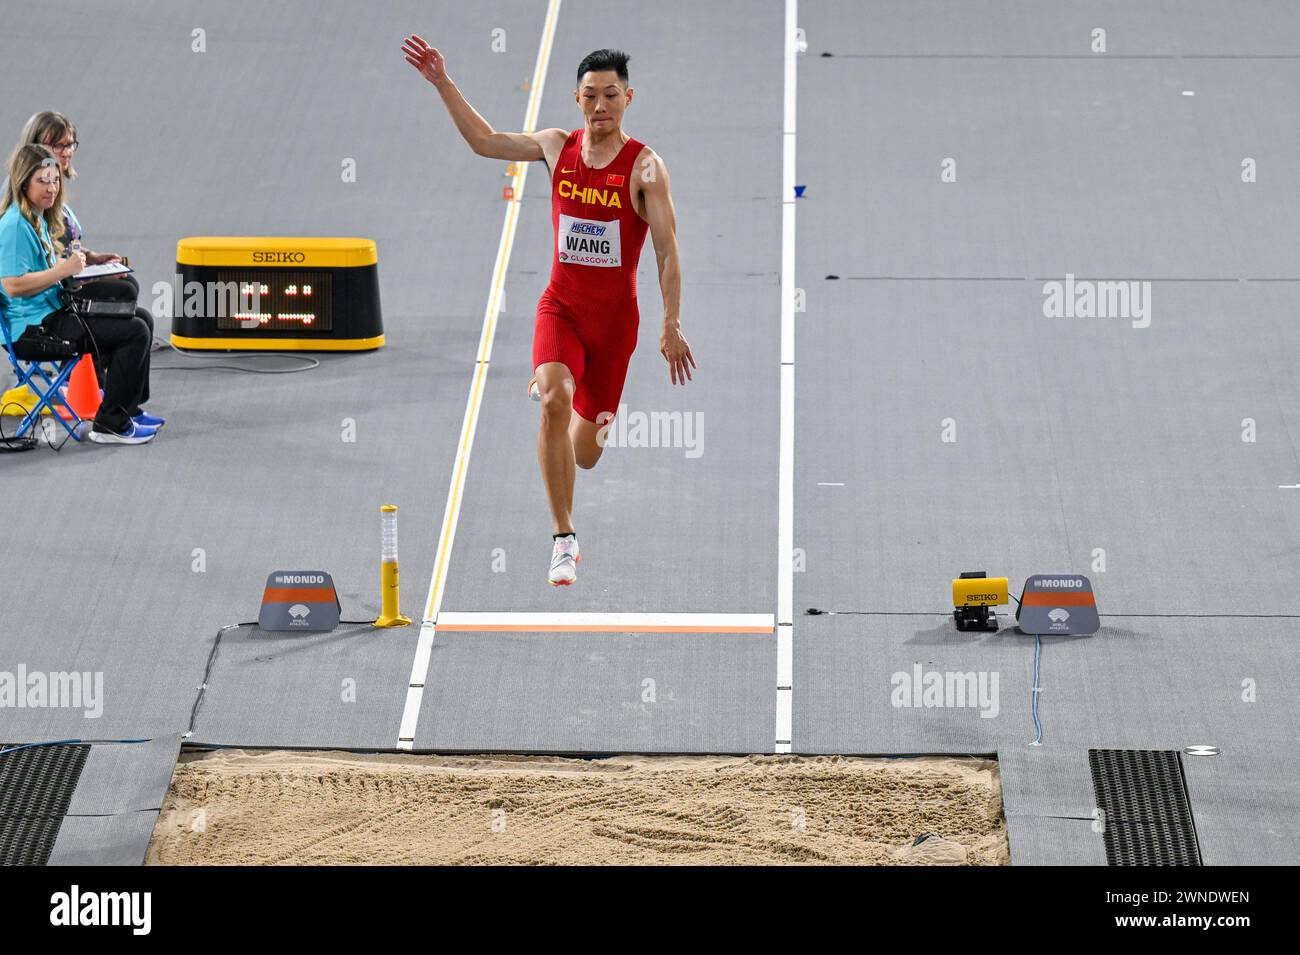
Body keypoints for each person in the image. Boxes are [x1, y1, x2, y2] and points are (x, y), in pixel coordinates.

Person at [404, 38, 694, 586]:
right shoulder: (554, 146)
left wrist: (670, 323)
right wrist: (443, 81)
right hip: (560, 306)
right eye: (590, 95)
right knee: (555, 404)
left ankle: (567, 385)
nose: (600, 105)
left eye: (611, 95)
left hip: (614, 327)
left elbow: (666, 249)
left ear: (628, 98)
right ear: (576, 98)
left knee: (585, 455)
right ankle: (564, 537)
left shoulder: (646, 169)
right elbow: (486, 142)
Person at [0, 144, 158, 444]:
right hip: (33, 331)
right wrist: (62, 271)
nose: (51, 188)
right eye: (42, 181)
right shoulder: (13, 226)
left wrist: (79, 266)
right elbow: (13, 285)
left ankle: (128, 410)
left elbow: (43, 268)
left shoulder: (37, 218)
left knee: (141, 317)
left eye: (55, 180)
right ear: (23, 183)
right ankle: (111, 424)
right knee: (134, 331)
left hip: (52, 314)